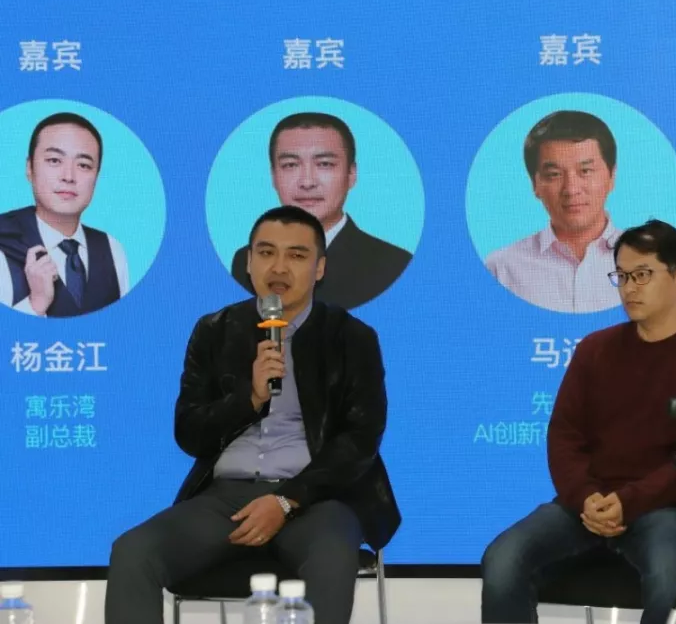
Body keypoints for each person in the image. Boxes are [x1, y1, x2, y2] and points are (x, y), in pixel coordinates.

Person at [106, 205, 400, 624]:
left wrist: (286, 500)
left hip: (317, 498)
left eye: (296, 255)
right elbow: (189, 432)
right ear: (248, 262)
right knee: (133, 551)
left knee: (332, 555)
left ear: (319, 268)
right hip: (225, 499)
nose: (278, 267)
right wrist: (249, 399)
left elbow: (359, 442)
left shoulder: (352, 338)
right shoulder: (214, 330)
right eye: (266, 253)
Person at [481, 220, 676, 624]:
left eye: (642, 275)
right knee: (503, 558)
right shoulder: (595, 350)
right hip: (589, 506)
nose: (629, 288)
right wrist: (586, 498)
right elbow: (564, 436)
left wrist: (629, 502)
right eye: (622, 276)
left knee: (670, 582)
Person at [230, 112, 413, 309]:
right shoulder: (245, 263)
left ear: (351, 174)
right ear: (273, 176)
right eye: (290, 165)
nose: (307, 182)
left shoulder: (393, 265)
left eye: (324, 164)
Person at [485, 110, 623, 313]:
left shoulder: (651, 262)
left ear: (612, 176)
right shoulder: (501, 269)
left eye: (585, 171)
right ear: (535, 184)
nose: (571, 189)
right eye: (554, 174)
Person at [0, 112, 130, 317]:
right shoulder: (4, 242)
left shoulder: (112, 249)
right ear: (29, 168)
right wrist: (35, 304)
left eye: (84, 165)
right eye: (54, 160)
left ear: (96, 176)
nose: (69, 176)